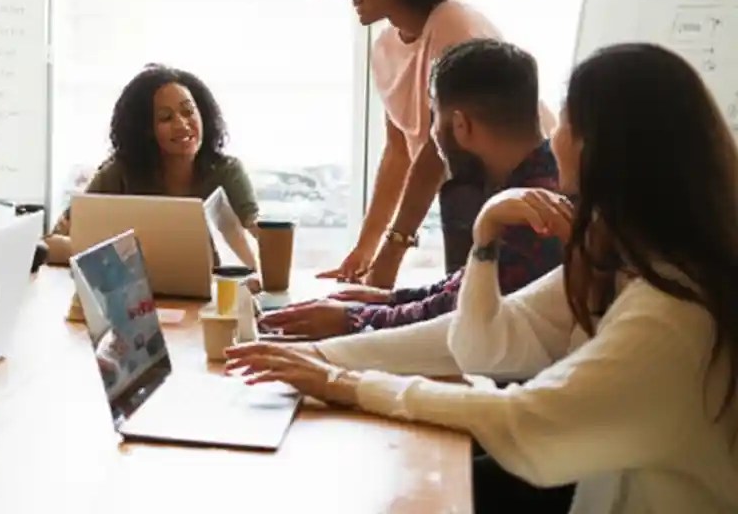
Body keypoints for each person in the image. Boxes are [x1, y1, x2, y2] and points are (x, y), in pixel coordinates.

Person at [226, 43, 738, 513]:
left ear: (598, 148)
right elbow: (478, 347)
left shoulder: (673, 312)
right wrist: (485, 236)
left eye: (564, 121)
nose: (553, 133)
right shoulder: (625, 263)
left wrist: (346, 382)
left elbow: (527, 422)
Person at [259, 39, 562, 340]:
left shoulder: (533, 210)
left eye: (434, 118)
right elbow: (466, 284)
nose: (432, 136)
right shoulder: (538, 176)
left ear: (460, 126)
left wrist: (353, 320)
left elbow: (459, 316)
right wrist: (386, 300)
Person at [330, 0, 550, 288]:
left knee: (474, 306)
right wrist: (364, 250)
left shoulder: (452, 24)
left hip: (519, 187)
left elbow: (437, 149)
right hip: (465, 191)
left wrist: (390, 256)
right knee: (459, 304)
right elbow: (399, 150)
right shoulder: (383, 47)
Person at [44, 64, 259, 265]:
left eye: (188, 111)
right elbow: (52, 244)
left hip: (215, 298)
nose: (182, 125)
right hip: (135, 298)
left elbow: (257, 232)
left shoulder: (226, 172)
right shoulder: (119, 174)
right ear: (145, 129)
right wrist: (107, 253)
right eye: (166, 118)